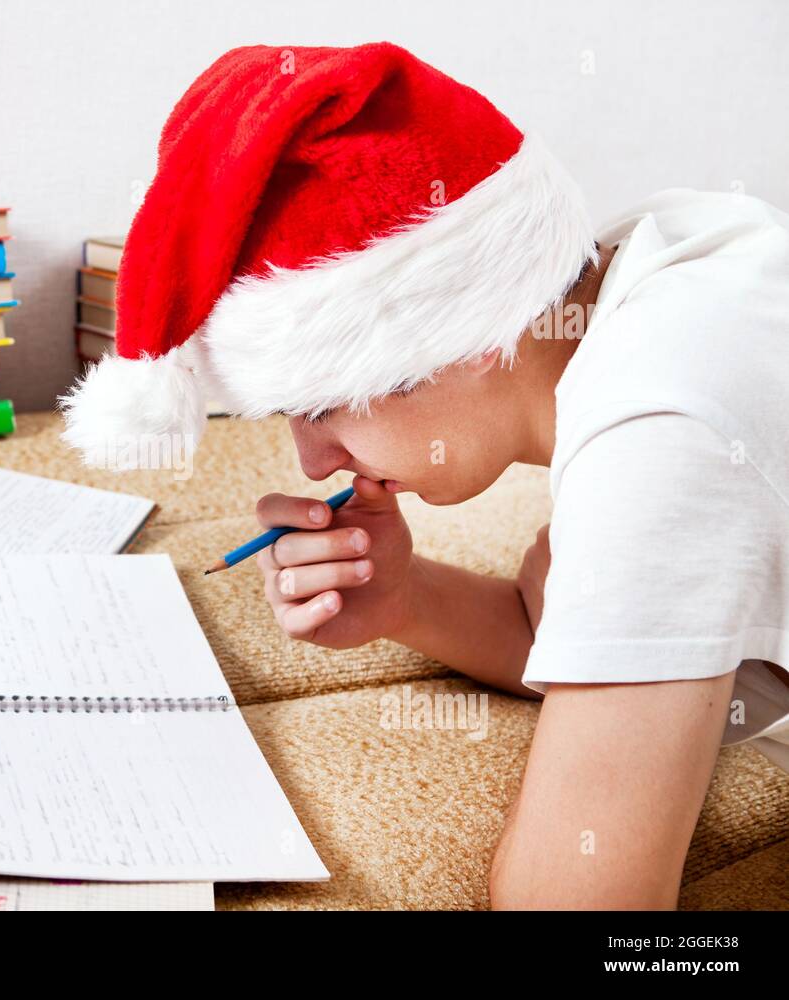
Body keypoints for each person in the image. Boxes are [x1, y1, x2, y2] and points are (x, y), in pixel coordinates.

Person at [60, 43, 789, 909]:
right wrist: (401, 598)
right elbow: (565, 631)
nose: (314, 462)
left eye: (325, 405)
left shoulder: (662, 430)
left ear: (473, 332)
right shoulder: (666, 264)